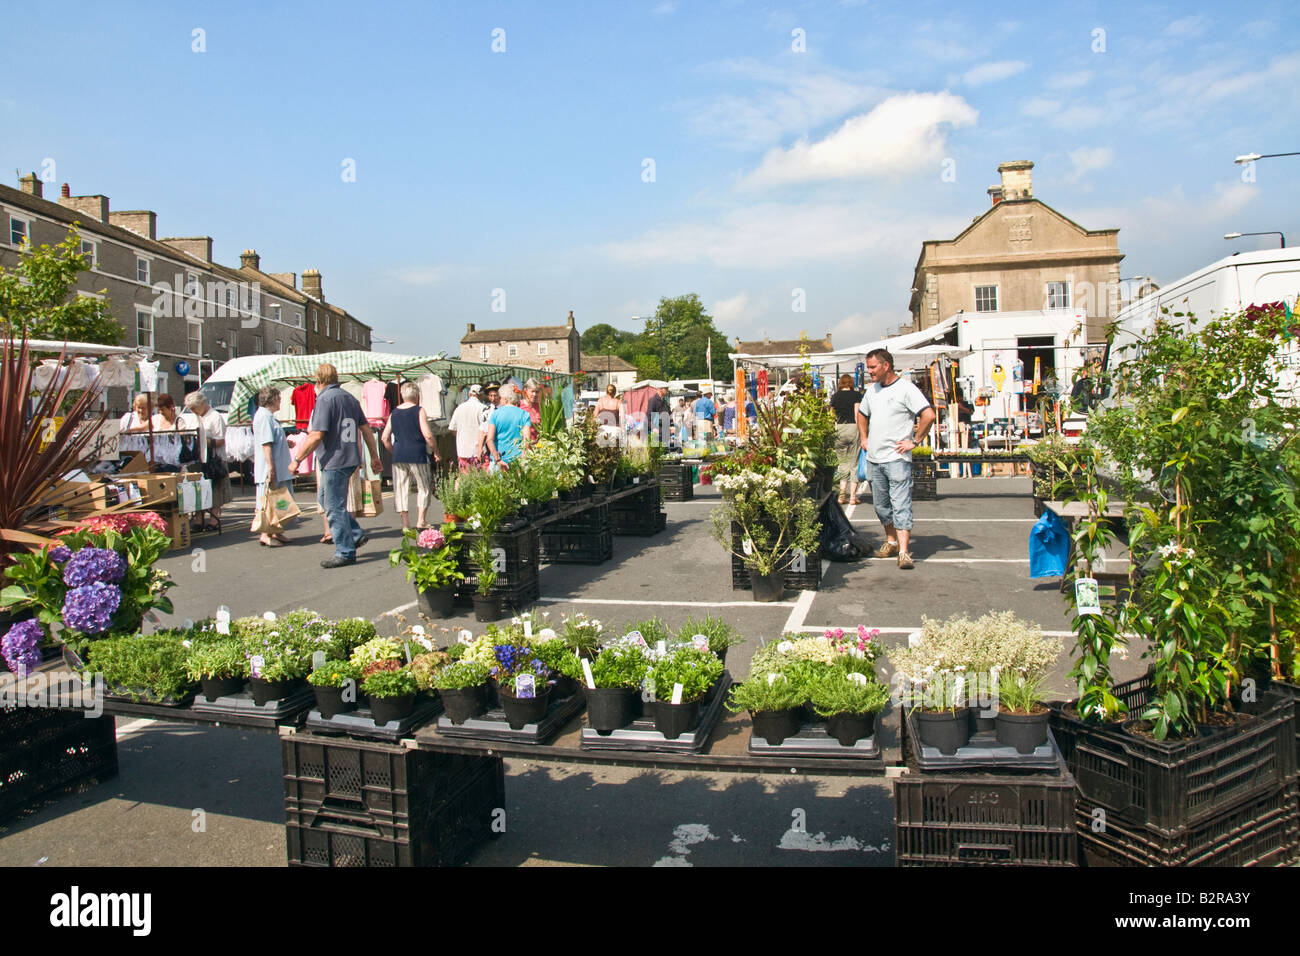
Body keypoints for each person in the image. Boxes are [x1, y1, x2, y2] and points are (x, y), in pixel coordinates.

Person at [289, 363, 381, 569]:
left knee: (333, 506)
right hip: (351, 457)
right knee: (325, 499)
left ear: (318, 380)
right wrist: (374, 456)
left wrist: (297, 459)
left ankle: (345, 551)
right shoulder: (349, 398)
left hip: (334, 459)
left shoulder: (324, 399)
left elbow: (316, 434)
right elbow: (366, 431)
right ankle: (355, 535)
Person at [857, 348, 936, 571]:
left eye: (873, 367)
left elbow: (928, 414)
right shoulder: (872, 391)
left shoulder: (906, 389)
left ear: (886, 366)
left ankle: (903, 552)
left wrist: (915, 440)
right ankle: (891, 541)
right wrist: (864, 438)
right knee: (881, 506)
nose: (869, 371)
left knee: (900, 504)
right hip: (874, 458)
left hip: (897, 458)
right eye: (868, 367)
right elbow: (862, 413)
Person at [383, 381, 438, 530]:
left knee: (400, 489)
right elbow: (427, 434)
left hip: (399, 455)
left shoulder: (394, 412)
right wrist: (436, 451)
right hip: (417, 454)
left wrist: (393, 451)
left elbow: (384, 438)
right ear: (417, 396)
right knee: (424, 486)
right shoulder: (419, 411)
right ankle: (421, 520)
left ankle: (405, 524)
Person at [252, 386, 293, 548]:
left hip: (279, 467)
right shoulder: (263, 417)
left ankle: (277, 531)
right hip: (270, 468)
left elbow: (272, 440)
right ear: (272, 399)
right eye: (279, 398)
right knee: (269, 501)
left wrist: (285, 443)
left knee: (280, 501)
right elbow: (266, 444)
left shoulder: (269, 416)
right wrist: (270, 467)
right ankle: (265, 534)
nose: (281, 401)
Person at [182, 391, 229, 532]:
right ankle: (199, 519)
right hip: (199, 459)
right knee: (199, 489)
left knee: (215, 490)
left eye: (194, 408)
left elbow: (221, 440)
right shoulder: (194, 417)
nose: (192, 411)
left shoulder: (215, 417)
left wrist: (204, 441)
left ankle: (214, 520)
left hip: (214, 459)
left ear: (202, 404)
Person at [830, 373, 864, 505]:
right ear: (851, 383)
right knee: (854, 462)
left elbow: (832, 415)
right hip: (853, 427)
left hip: (839, 428)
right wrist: (862, 432)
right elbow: (857, 414)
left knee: (842, 463)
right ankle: (852, 497)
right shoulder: (856, 395)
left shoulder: (835, 396)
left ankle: (842, 495)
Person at [486, 383, 533, 467]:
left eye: (500, 398)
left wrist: (497, 459)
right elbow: (527, 440)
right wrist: (523, 458)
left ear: (505, 398)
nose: (499, 400)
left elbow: (489, 440)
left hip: (499, 461)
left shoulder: (495, 414)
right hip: (518, 461)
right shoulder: (524, 414)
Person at [449, 383, 487, 472]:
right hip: (479, 450)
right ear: (481, 395)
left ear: (469, 394)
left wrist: (462, 437)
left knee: (465, 477)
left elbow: (452, 429)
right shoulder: (484, 408)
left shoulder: (459, 408)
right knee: (481, 477)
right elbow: (486, 430)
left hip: (463, 450)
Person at [477, 381, 501, 463]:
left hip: (502, 441)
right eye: (491, 396)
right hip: (490, 444)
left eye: (495, 395)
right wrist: (480, 448)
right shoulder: (487, 410)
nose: (493, 398)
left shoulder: (504, 408)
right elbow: (482, 430)